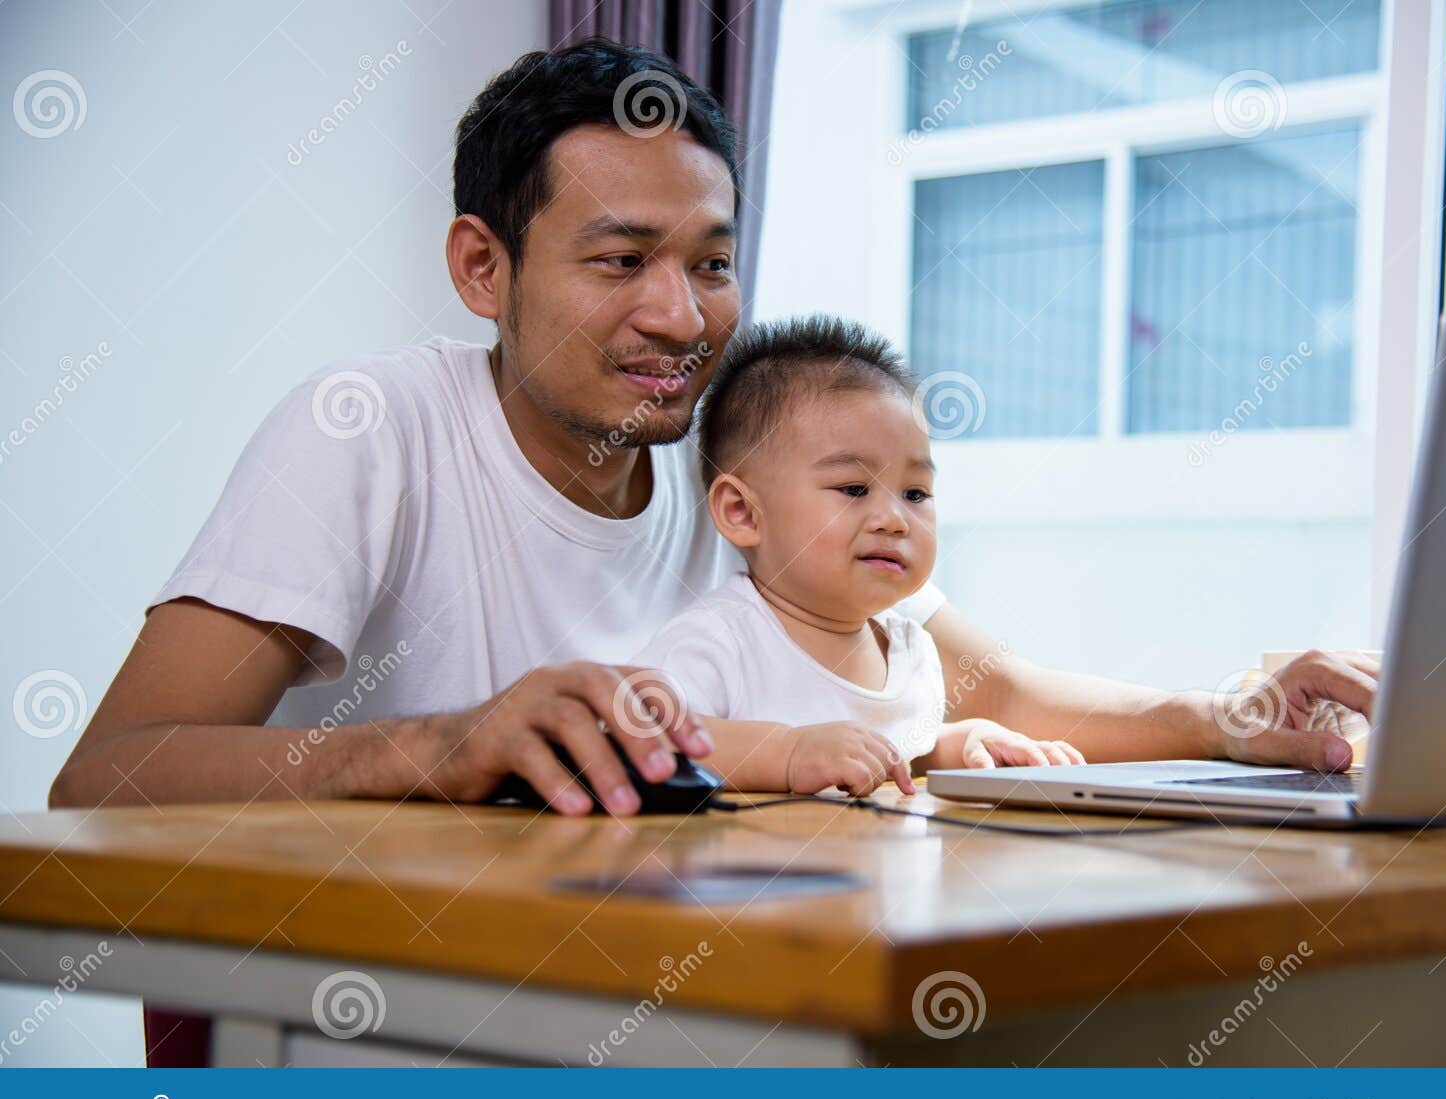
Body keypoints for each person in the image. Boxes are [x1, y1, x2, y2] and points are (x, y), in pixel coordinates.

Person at [50, 38, 1378, 818]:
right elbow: (107, 775)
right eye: (620, 261)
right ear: (481, 268)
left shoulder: (738, 455)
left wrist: (1232, 716)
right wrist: (440, 745)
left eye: (713, 264)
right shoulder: (370, 430)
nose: (682, 318)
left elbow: (991, 685)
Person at [633, 315, 1083, 797]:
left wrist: (966, 740)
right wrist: (786, 753)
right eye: (853, 488)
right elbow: (643, 743)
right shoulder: (717, 640)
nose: (894, 520)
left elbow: (902, 753)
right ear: (742, 511)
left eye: (915, 494)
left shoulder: (909, 651)